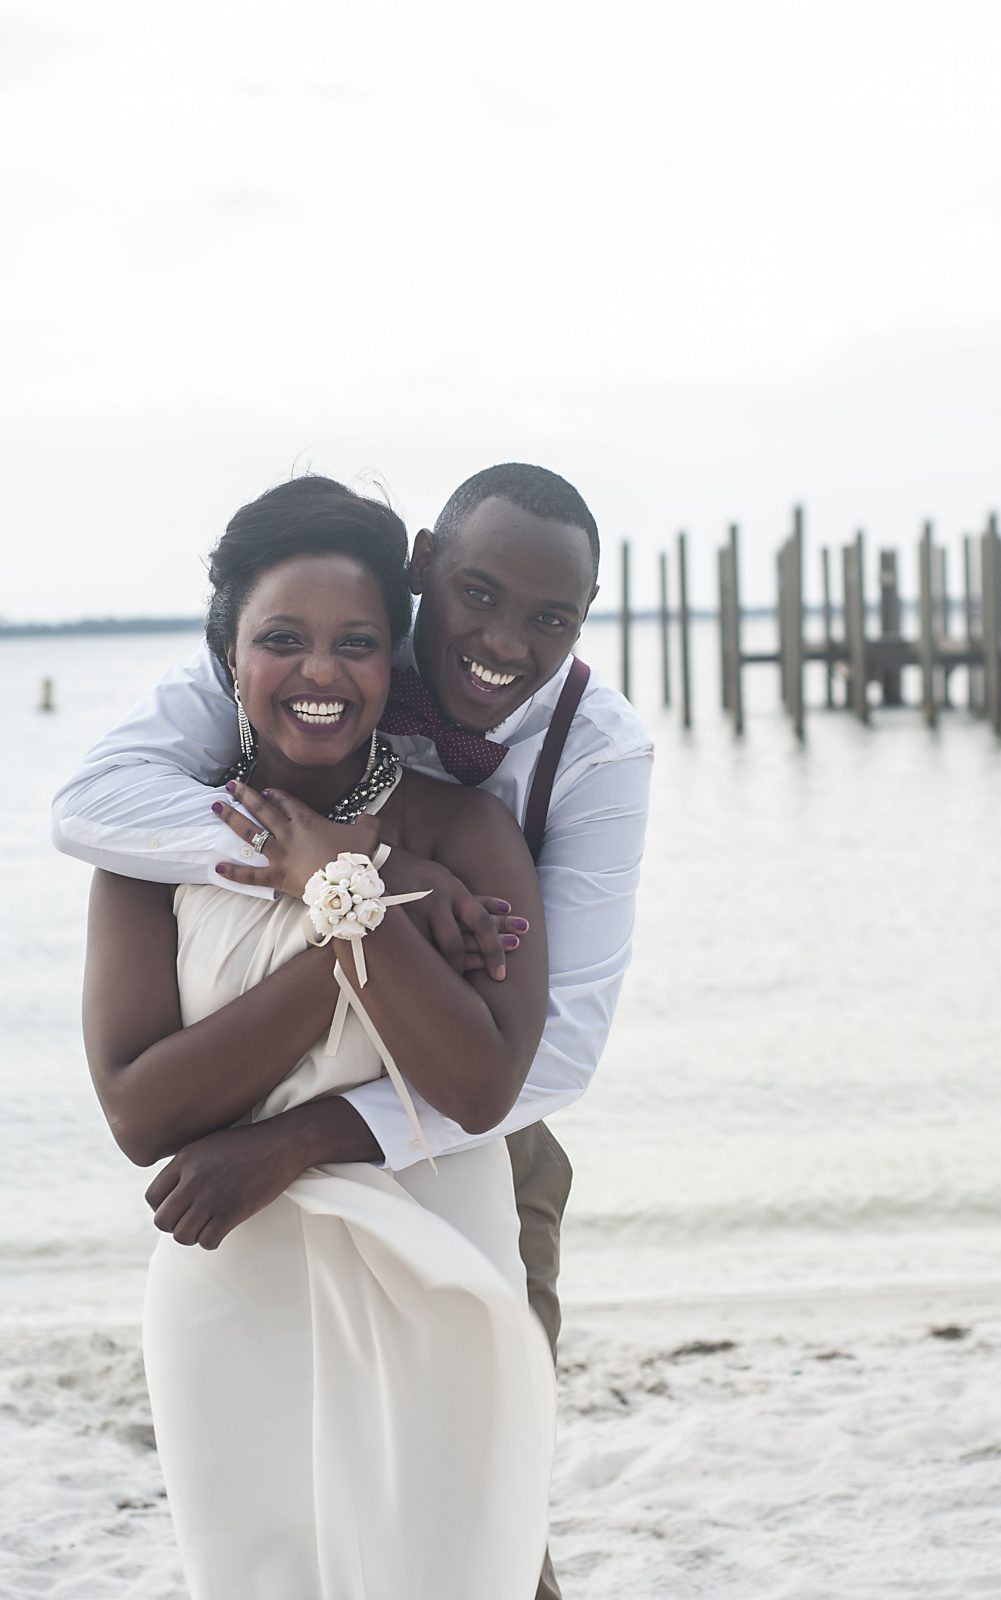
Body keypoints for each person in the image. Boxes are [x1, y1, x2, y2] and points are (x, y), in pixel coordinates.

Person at [55, 461, 653, 1600]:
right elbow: (138, 1104)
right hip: (237, 1241)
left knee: (474, 1537)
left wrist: (353, 901)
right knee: (269, 1554)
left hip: (458, 1169)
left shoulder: (558, 776)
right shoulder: (170, 821)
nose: (503, 640)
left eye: (550, 618)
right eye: (476, 595)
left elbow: (526, 1070)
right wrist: (372, 890)